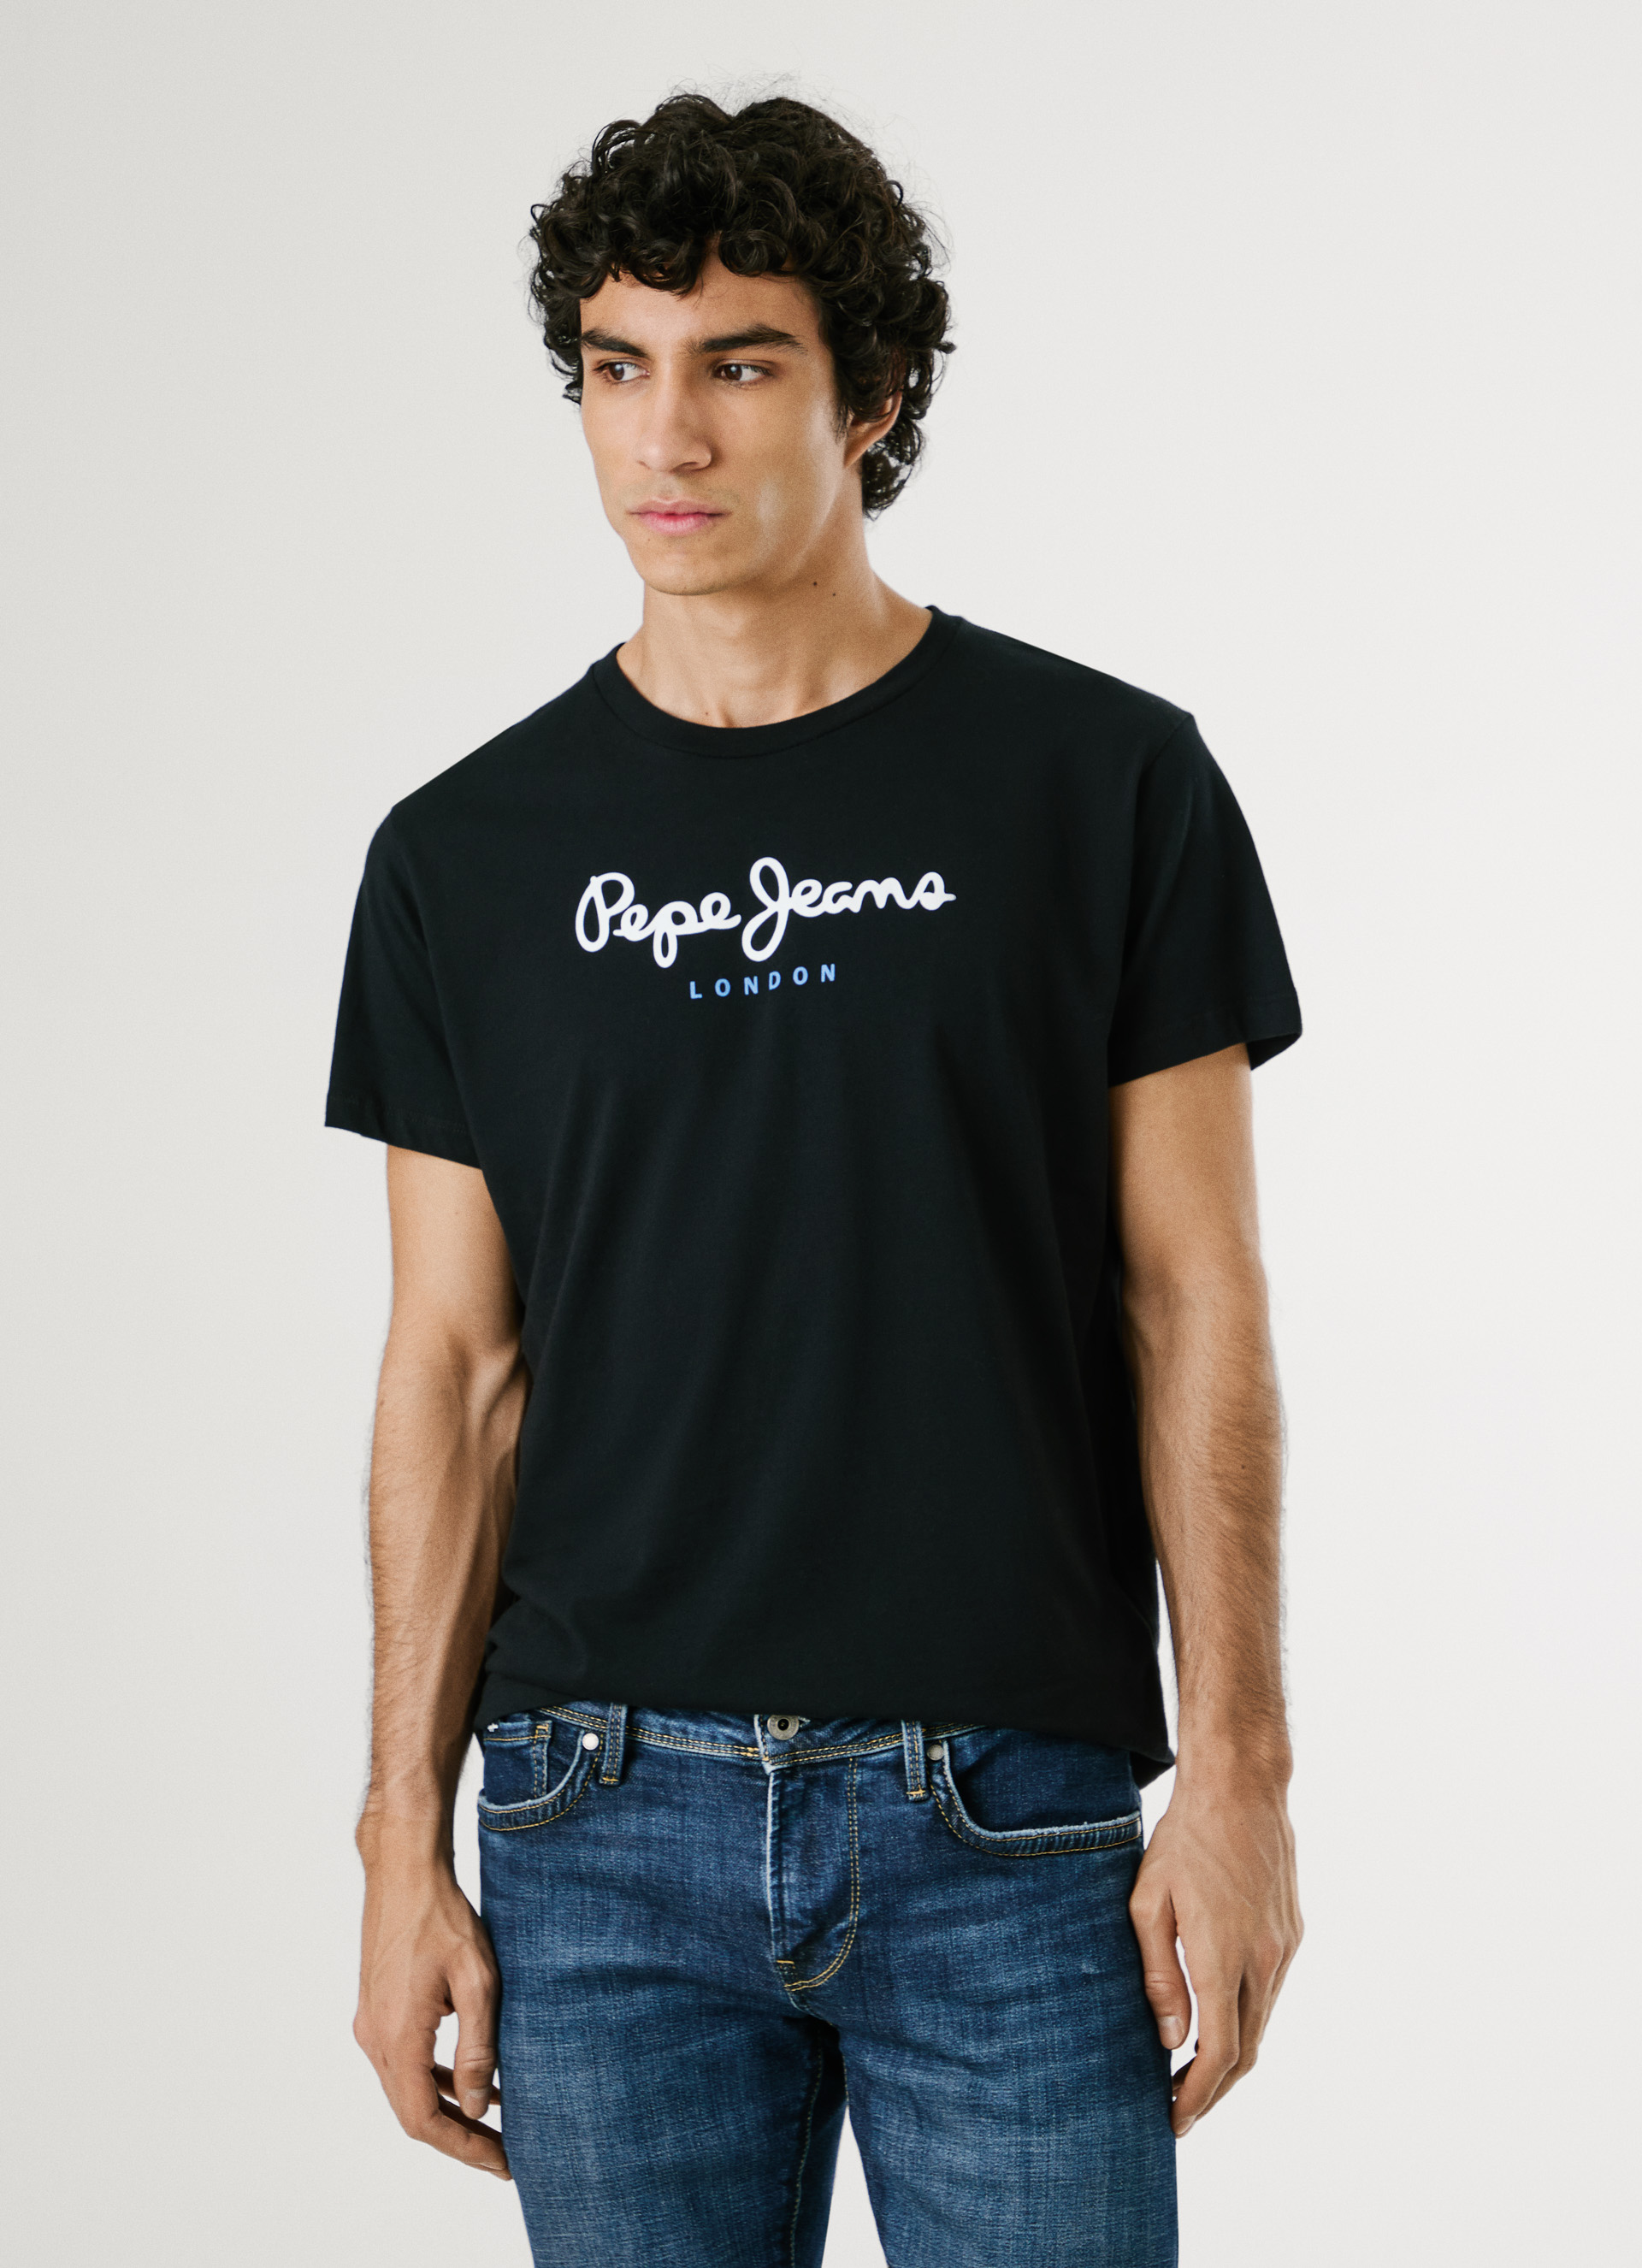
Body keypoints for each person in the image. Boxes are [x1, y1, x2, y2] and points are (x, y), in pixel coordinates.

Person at [327, 92, 1302, 2268]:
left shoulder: (1103, 785)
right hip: (597, 1824)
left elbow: (1194, 1302)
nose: (666, 434)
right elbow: (454, 1368)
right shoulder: (461, 857)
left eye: (741, 363)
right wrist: (399, 1838)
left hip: (1010, 1821)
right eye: (618, 366)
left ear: (872, 399)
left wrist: (1241, 1770)